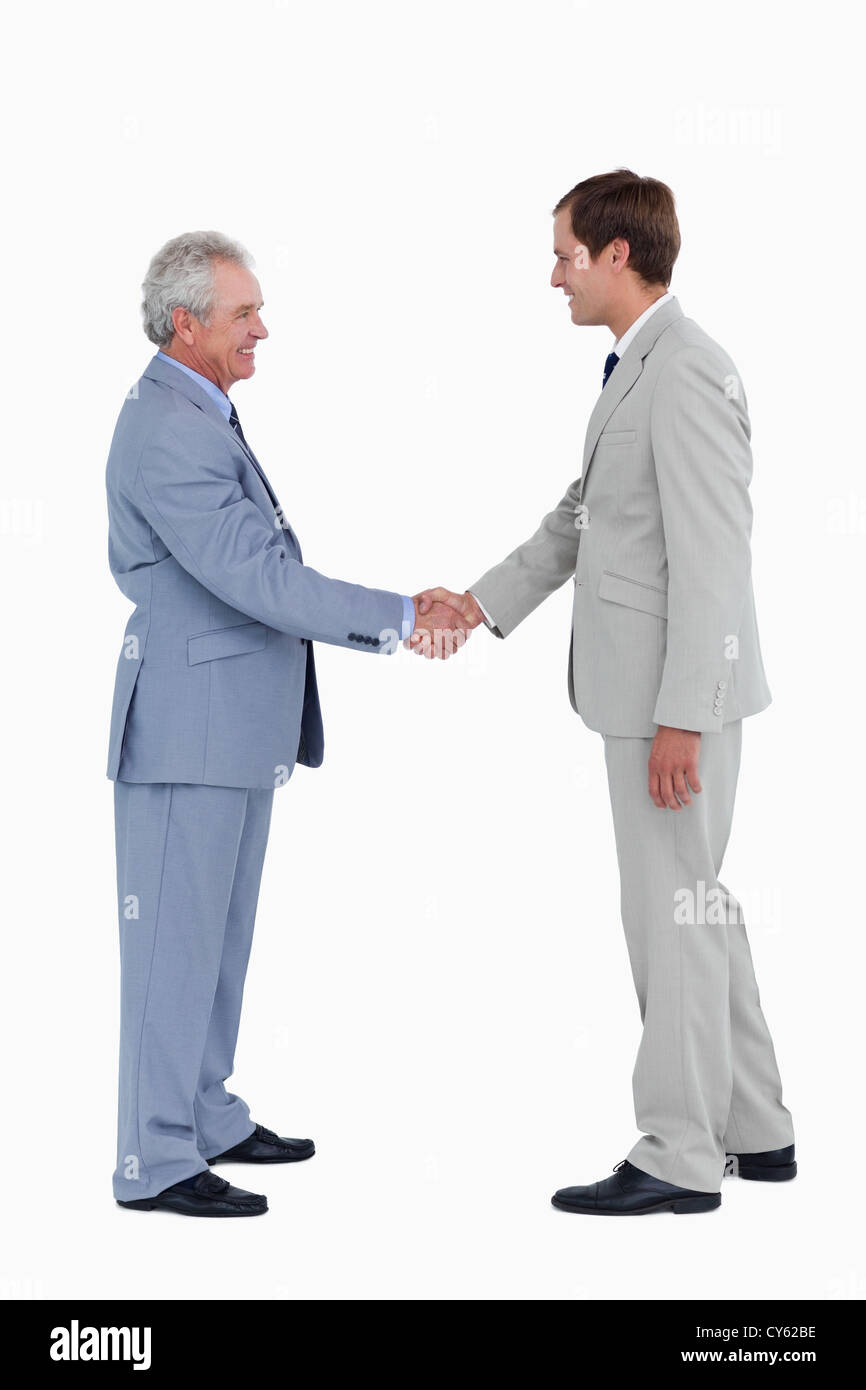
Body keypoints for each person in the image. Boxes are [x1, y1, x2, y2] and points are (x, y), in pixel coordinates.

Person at [413, 169, 796, 1216]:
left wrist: (682, 715)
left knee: (667, 921)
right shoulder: (638, 366)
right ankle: (754, 1128)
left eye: (564, 254)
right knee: (697, 907)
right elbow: (581, 522)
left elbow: (714, 559)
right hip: (650, 698)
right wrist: (477, 605)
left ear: (617, 255)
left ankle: (678, 1153)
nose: (553, 276)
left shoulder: (684, 371)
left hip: (669, 707)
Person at [106, 231, 469, 1217]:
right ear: (185, 325)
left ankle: (206, 1114)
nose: (261, 327)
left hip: (227, 727)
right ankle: (154, 1158)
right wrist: (400, 616)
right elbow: (257, 579)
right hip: (188, 729)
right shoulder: (170, 428)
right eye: (242, 313)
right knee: (171, 948)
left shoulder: (196, 409)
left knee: (215, 940)